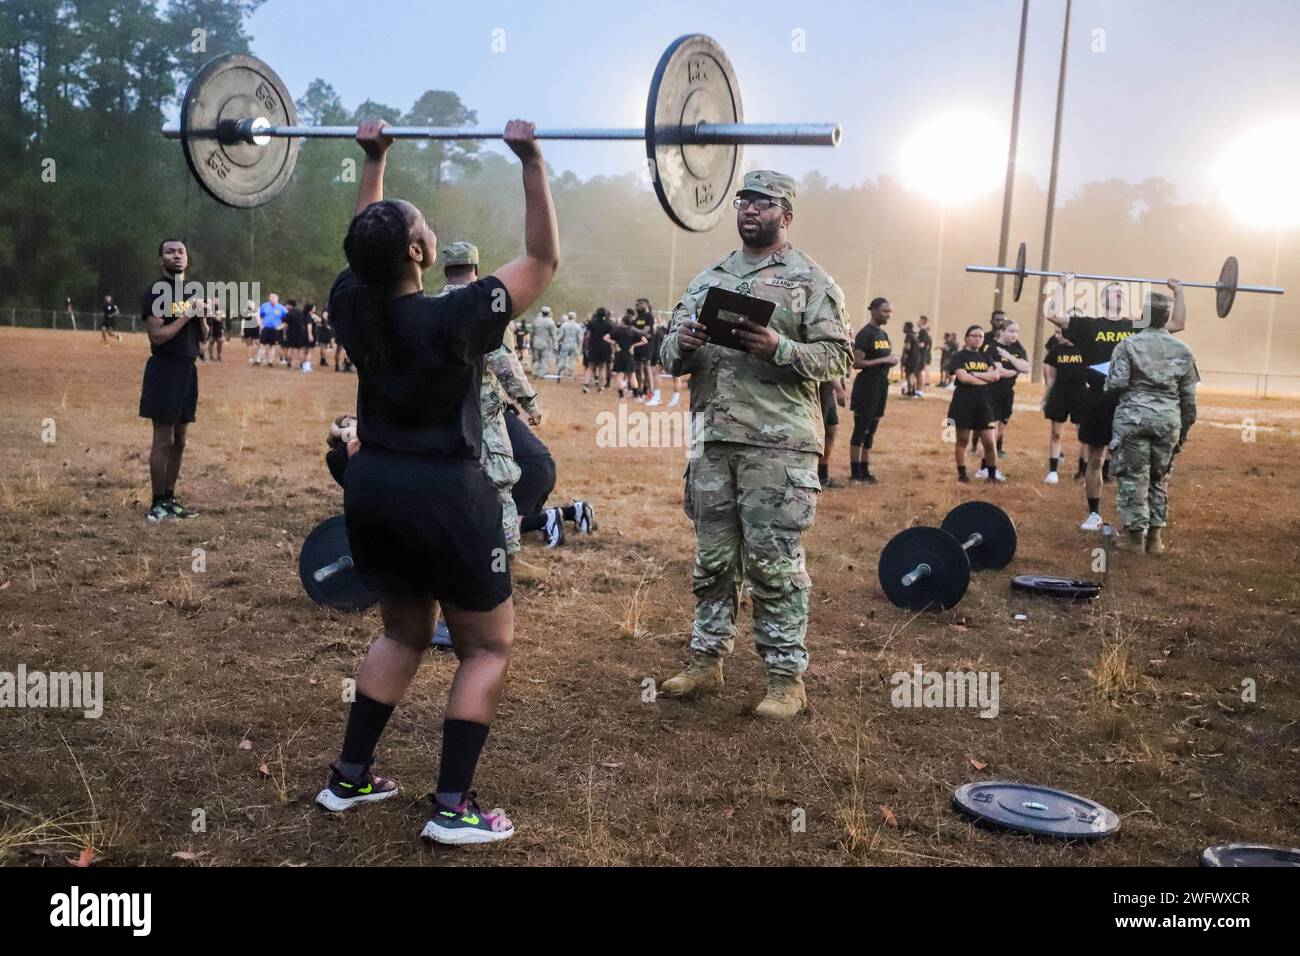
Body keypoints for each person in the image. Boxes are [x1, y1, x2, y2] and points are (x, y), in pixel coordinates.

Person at [314, 118, 558, 846]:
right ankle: (453, 807)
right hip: (448, 496)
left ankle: (350, 776)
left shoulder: (350, 306)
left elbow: (368, 237)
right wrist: (532, 163)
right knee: (486, 648)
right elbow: (543, 259)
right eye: (422, 229)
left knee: (403, 630)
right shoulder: (457, 314)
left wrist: (373, 160)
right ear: (420, 253)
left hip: (374, 486)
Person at [658, 170, 852, 719]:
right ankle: (706, 660)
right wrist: (684, 341)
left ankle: (785, 678)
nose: (749, 210)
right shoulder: (707, 278)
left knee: (774, 564)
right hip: (712, 442)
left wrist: (779, 347)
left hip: (778, 447)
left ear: (785, 216)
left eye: (763, 204)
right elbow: (667, 355)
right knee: (714, 559)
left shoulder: (811, 281)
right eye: (743, 200)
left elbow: (838, 358)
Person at [1048, 279, 1186, 530]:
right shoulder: (1089, 325)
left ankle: (1138, 519)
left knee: (1136, 461)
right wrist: (1062, 286)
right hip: (1098, 398)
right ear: (1102, 300)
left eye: (1121, 291)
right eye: (1112, 291)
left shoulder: (1136, 325)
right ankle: (1094, 514)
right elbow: (1054, 316)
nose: (1119, 294)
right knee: (1096, 458)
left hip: (1129, 400)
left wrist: (1178, 292)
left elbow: (1177, 324)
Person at [436, 239, 541, 558]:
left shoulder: (431, 307)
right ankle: (504, 554)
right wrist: (529, 402)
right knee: (498, 483)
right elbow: (503, 362)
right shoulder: (481, 310)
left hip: (441, 414)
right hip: (482, 413)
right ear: (476, 270)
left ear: (446, 270)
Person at [1104, 292, 1198, 554]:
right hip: (1168, 421)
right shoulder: (1183, 350)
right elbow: (1189, 399)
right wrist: (1183, 431)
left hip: (1133, 419)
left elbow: (1117, 383)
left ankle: (1134, 539)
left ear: (1143, 316)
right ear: (1166, 317)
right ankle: (1155, 539)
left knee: (1133, 477)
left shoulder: (1128, 345)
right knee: (1160, 477)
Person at [139, 240, 206, 522]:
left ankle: (170, 498)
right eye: (170, 251)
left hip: (188, 370)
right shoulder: (155, 292)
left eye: (181, 251)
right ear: (161, 259)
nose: (176, 255)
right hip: (164, 369)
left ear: (187, 258)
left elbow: (202, 336)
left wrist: (201, 317)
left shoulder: (193, 291)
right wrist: (185, 314)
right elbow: (158, 336)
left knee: (180, 438)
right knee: (163, 438)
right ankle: (156, 503)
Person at [945, 325, 1002, 483]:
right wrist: (984, 378)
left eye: (981, 336)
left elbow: (995, 376)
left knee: (990, 442)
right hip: (963, 403)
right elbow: (963, 378)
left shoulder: (987, 357)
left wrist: (974, 374)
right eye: (974, 335)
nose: (978, 339)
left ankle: (991, 476)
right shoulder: (959, 356)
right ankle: (962, 474)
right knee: (962, 440)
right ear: (966, 337)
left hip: (984, 404)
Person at [847, 297, 895, 484]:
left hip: (881, 386)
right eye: (885, 311)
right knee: (861, 429)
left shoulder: (883, 335)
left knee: (871, 430)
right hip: (866, 387)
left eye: (890, 311)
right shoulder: (865, 334)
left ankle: (866, 469)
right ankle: (855, 472)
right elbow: (857, 363)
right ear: (873, 310)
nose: (888, 315)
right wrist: (884, 360)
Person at [1041, 326, 1087, 484]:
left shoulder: (1085, 348)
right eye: (1058, 333)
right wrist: (1046, 398)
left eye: (1062, 334)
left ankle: (1083, 470)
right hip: (1060, 393)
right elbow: (1051, 377)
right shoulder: (1056, 350)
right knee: (1056, 432)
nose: (1059, 337)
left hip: (1080, 393)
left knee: (1084, 434)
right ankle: (1053, 471)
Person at [982, 320, 1029, 462]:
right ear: (1001, 332)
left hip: (1008, 392)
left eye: (1016, 331)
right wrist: (1015, 369)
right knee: (993, 426)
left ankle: (991, 456)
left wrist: (1009, 358)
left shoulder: (1017, 349)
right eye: (1011, 331)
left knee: (1003, 424)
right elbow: (999, 372)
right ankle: (989, 461)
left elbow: (1026, 368)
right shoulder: (993, 348)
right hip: (993, 391)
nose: (1014, 334)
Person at [817, 377, 846, 488]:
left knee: (831, 430)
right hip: (820, 388)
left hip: (829, 391)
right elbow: (825, 365)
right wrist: (839, 388)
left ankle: (823, 475)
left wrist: (841, 384)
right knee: (819, 433)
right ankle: (814, 474)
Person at [609, 313, 645, 400]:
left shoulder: (618, 330)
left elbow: (606, 338)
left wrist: (615, 343)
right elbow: (644, 341)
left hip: (619, 354)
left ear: (623, 321)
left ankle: (621, 396)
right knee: (632, 375)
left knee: (620, 375)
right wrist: (633, 345)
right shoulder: (632, 331)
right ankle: (637, 396)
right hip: (629, 354)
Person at [582, 307, 614, 393]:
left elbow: (587, 336)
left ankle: (585, 385)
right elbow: (611, 337)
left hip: (593, 346)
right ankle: (600, 387)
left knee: (590, 366)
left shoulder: (592, 323)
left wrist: (586, 346)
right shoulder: (608, 324)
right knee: (602, 367)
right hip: (604, 346)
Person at [632, 298, 655, 399]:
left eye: (641, 304)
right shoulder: (636, 318)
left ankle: (650, 391)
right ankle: (640, 391)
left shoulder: (649, 317)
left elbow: (645, 332)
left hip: (647, 346)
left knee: (646, 368)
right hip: (637, 345)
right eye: (637, 304)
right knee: (637, 369)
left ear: (647, 305)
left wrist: (634, 330)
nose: (638, 306)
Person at [254, 292, 286, 366]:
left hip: (275, 329)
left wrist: (281, 326)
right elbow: (259, 315)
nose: (271, 299)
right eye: (270, 297)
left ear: (277, 299)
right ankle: (258, 360)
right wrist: (260, 324)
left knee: (272, 345)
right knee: (262, 345)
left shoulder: (282, 308)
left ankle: (270, 362)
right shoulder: (264, 306)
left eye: (273, 297)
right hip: (266, 328)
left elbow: (287, 319)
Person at [530, 306, 557, 378]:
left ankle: (535, 372)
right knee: (545, 359)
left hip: (536, 342)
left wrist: (531, 342)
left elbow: (532, 333)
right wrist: (555, 346)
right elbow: (553, 335)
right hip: (546, 343)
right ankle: (541, 374)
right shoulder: (551, 322)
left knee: (536, 359)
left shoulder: (536, 321)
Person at [556, 310, 583, 382]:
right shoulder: (578, 326)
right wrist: (579, 347)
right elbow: (579, 339)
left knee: (562, 359)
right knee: (572, 360)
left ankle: (559, 373)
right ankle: (570, 375)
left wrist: (557, 341)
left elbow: (561, 336)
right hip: (574, 345)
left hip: (565, 344)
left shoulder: (564, 325)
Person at [900, 320, 920, 397]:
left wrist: (904, 348)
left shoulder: (908, 335)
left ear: (908, 327)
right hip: (916, 358)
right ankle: (913, 391)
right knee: (912, 375)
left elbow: (908, 347)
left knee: (908, 375)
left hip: (910, 358)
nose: (903, 328)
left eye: (904, 327)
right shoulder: (914, 335)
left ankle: (910, 392)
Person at [916, 315, 933, 390]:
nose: (918, 321)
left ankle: (920, 389)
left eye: (919, 320)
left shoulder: (923, 332)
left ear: (923, 321)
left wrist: (914, 345)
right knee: (920, 371)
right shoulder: (921, 331)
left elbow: (922, 345)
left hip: (922, 355)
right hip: (922, 354)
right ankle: (919, 388)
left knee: (920, 372)